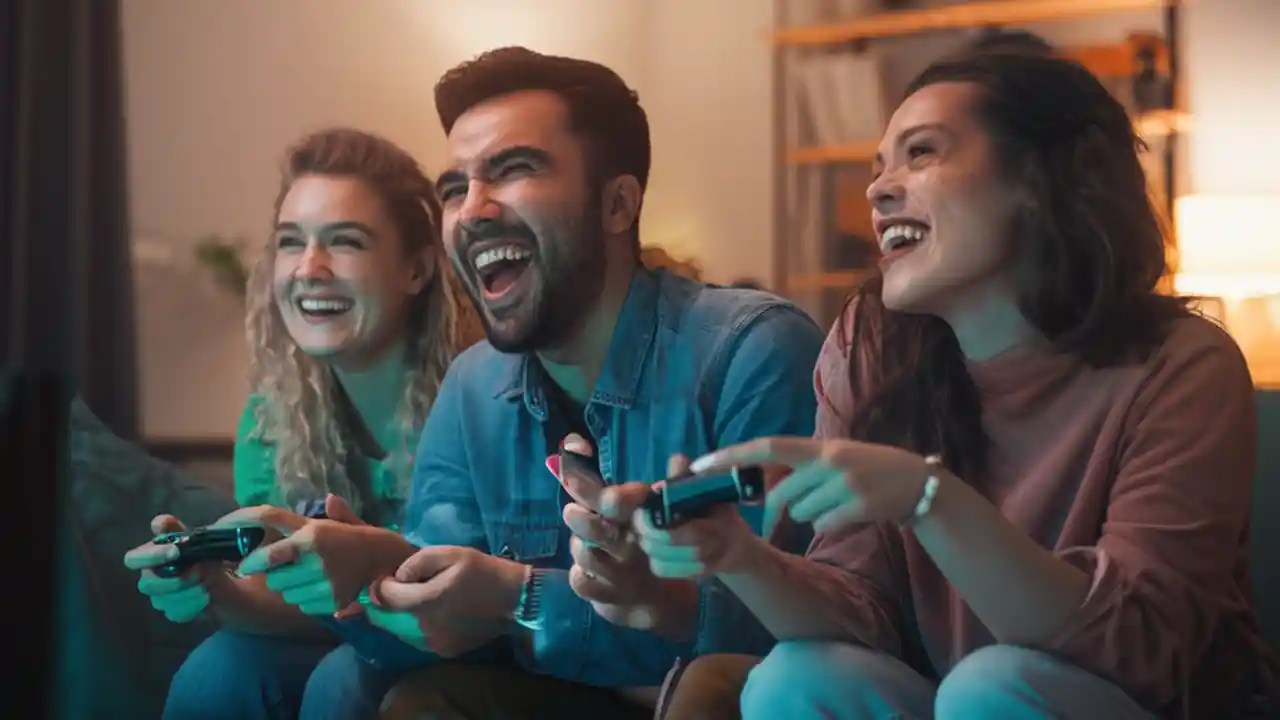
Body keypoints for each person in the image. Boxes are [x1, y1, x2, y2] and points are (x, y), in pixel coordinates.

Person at [615, 52, 1280, 719]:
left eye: (921, 153)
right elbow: (861, 611)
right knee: (795, 676)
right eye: (879, 165)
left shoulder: (1184, 365)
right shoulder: (867, 349)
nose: (878, 189)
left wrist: (929, 499)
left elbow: (1140, 651)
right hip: (947, 695)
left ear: (1040, 180)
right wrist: (741, 558)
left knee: (993, 686)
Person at [279, 46, 821, 718]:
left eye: (512, 171)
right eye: (454, 188)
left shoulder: (751, 350)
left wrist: (523, 598)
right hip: (568, 690)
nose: (471, 210)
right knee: (347, 681)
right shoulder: (473, 387)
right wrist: (368, 577)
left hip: (719, 697)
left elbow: (780, 627)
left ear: (617, 203)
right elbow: (448, 617)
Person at [122, 127, 481, 720]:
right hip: (353, 637)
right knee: (217, 672)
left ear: (416, 269)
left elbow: (470, 610)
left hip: (462, 641)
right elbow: (292, 608)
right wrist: (218, 588)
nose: (310, 268)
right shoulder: (272, 419)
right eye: (291, 243)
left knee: (345, 683)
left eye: (345, 242)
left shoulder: (478, 395)